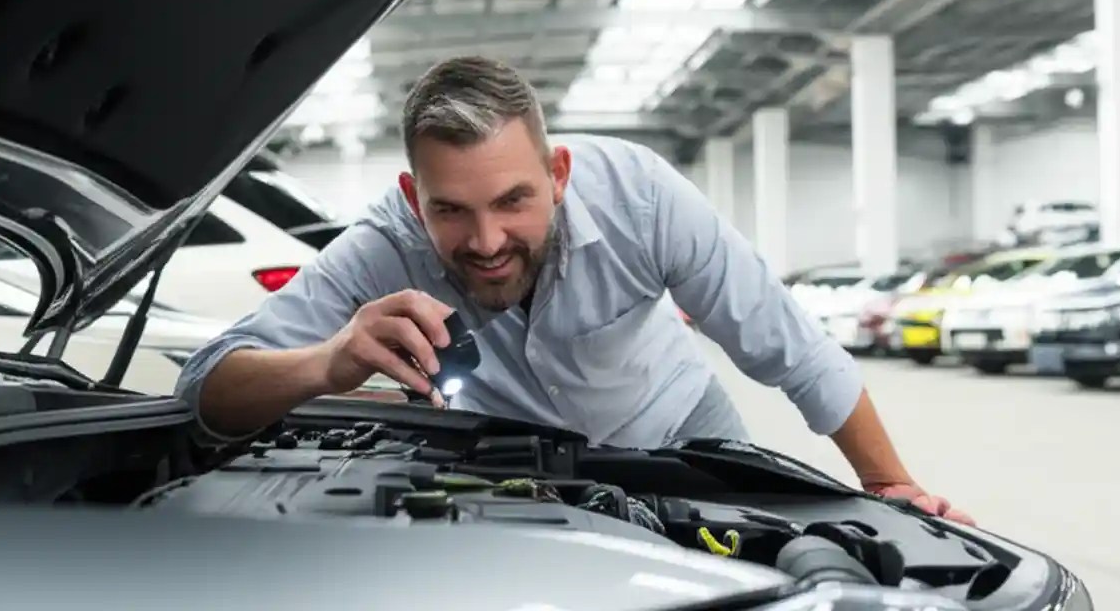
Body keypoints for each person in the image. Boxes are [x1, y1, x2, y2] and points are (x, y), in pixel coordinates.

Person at [175, 55, 973, 525]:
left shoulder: (643, 199)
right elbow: (206, 387)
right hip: (522, 472)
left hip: (685, 432)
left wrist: (887, 485)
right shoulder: (385, 244)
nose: (485, 242)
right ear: (415, 200)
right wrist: (330, 360)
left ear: (557, 175)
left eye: (512, 201)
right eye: (451, 210)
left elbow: (791, 349)